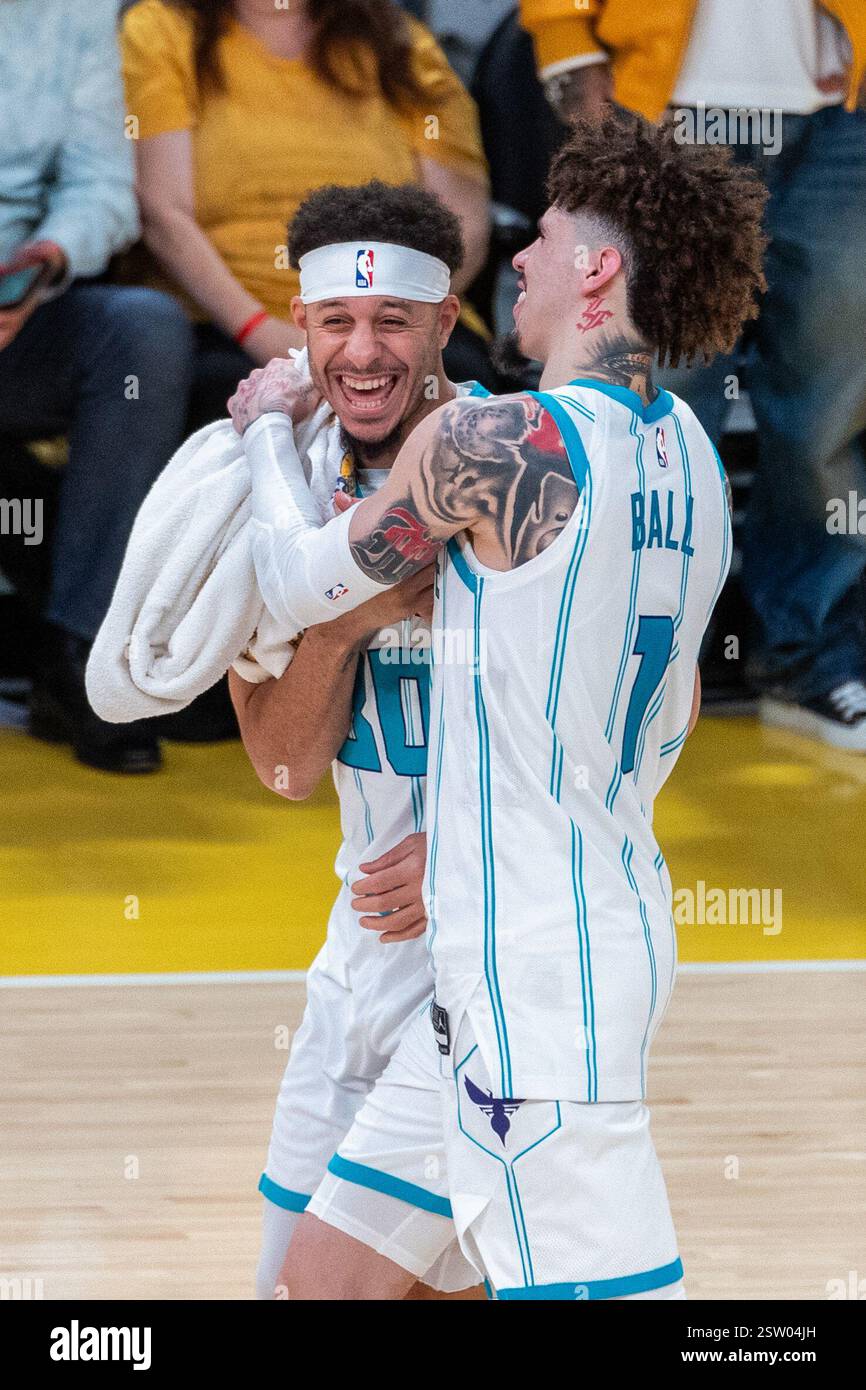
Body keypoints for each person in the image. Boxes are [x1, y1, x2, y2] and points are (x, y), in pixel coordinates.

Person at [232, 109, 767, 1299]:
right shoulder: (686, 448)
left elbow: (292, 576)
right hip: (558, 939)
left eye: (542, 239)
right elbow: (664, 712)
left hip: (537, 988)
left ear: (596, 267)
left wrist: (265, 439)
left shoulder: (498, 438)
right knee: (316, 1284)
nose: (514, 258)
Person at [227, 181, 489, 1299]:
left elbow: (621, 736)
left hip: (489, 960)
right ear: (301, 324)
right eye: (337, 320)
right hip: (356, 962)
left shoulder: (517, 471)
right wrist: (347, 624)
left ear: (443, 320)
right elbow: (285, 769)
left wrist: (476, 847)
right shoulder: (267, 488)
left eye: (393, 322)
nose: (364, 350)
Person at [520, 0, 866, 750]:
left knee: (827, 418)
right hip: (661, 102)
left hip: (840, 111)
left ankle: (809, 664)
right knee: (643, 408)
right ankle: (622, 668)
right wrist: (565, 40)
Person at [120, 0, 494, 427]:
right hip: (228, 325)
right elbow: (164, 214)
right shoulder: (160, 30)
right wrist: (263, 332)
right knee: (231, 396)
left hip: (399, 316)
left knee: (458, 393)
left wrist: (386, 326)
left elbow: (463, 219)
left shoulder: (400, 42)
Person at [0, 0, 195, 773]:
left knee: (142, 329)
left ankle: (84, 652)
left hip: (17, 306)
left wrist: (46, 260)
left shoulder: (68, 13)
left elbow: (102, 188)